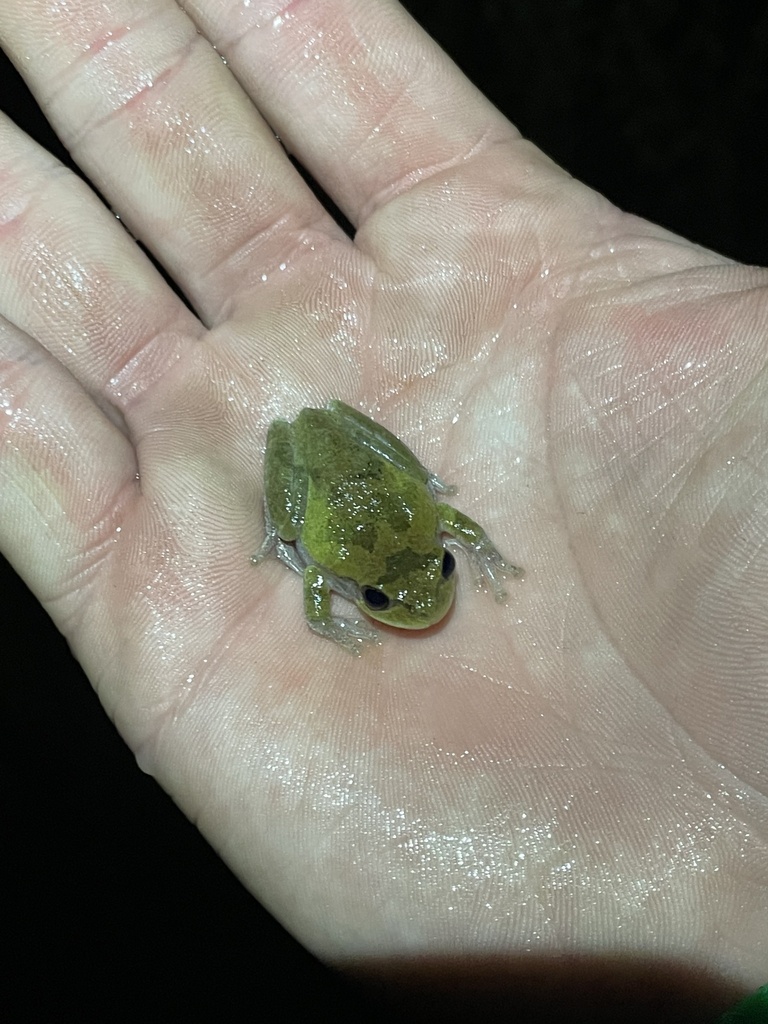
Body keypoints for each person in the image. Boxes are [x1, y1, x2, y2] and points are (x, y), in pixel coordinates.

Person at [1, 0, 765, 1018]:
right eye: (393, 593)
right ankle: (286, 507)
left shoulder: (407, 550)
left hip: (375, 483)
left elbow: (448, 532)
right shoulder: (347, 565)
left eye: (426, 583)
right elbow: (338, 578)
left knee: (371, 470)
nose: (416, 596)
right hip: (325, 479)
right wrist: (314, 562)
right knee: (299, 464)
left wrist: (464, 553)